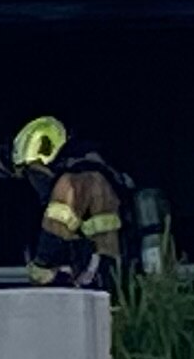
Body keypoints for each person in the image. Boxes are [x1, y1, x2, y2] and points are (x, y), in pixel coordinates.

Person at [7, 116, 137, 294]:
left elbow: (55, 230)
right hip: (121, 284)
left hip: (102, 285)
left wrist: (41, 268)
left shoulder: (72, 183)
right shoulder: (101, 176)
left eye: (34, 173)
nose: (34, 181)